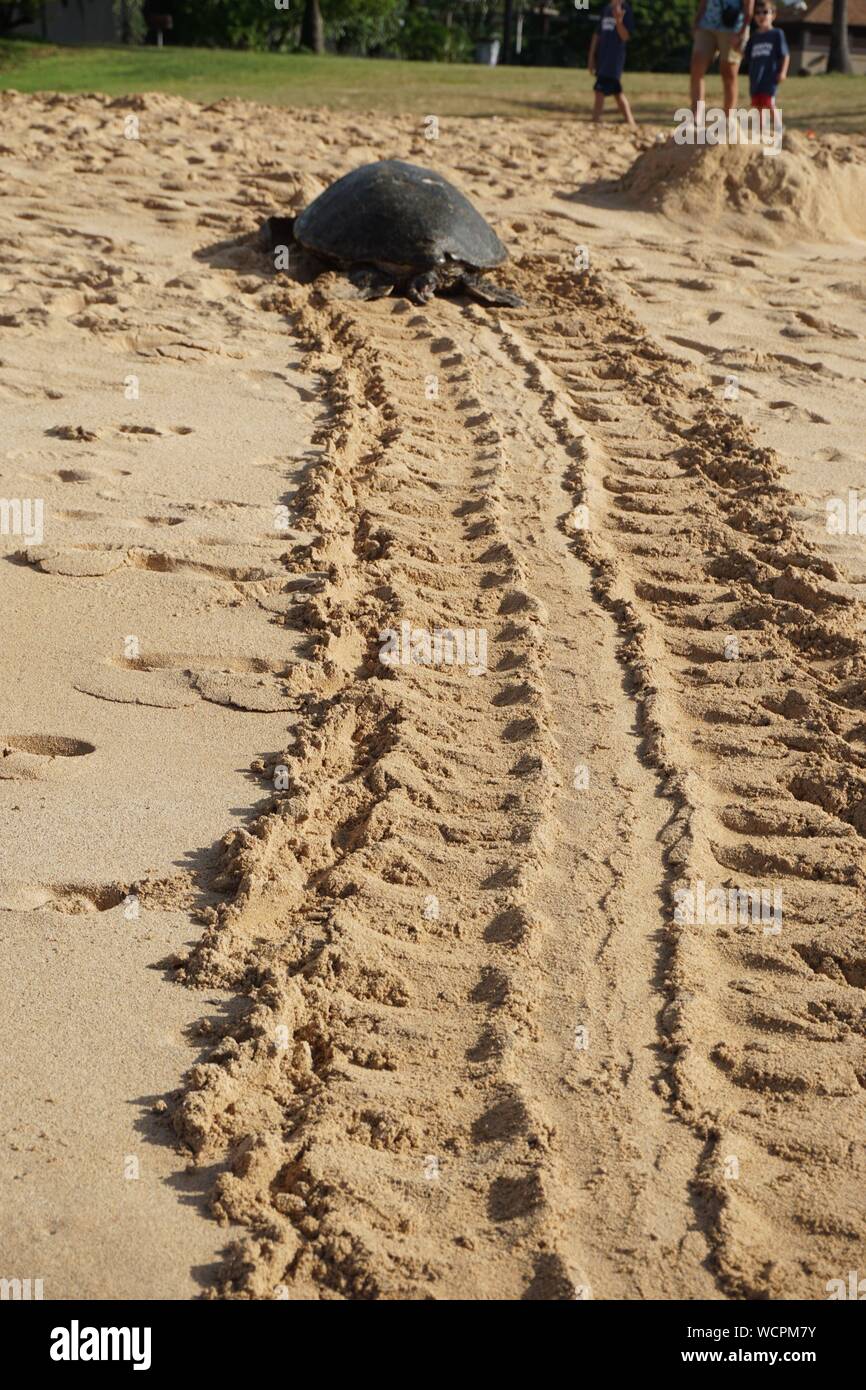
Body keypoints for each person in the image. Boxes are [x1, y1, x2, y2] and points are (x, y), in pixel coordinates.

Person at [690, 0, 754, 115]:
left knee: (729, 73)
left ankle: (728, 117)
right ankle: (696, 116)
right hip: (706, 25)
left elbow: (748, 8)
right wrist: (696, 22)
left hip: (733, 29)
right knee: (696, 69)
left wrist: (741, 33)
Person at [588, 0, 637, 131]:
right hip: (602, 58)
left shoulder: (625, 9)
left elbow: (625, 37)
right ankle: (630, 122)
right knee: (616, 92)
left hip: (614, 59)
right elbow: (597, 34)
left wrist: (619, 21)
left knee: (599, 90)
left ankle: (595, 120)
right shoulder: (606, 9)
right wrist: (591, 56)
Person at [744, 1, 789, 110]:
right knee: (758, 105)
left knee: (769, 103)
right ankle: (761, 122)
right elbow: (746, 55)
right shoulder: (754, 36)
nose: (761, 15)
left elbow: (785, 55)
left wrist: (783, 72)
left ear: (773, 15)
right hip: (755, 78)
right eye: (757, 13)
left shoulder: (777, 34)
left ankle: (778, 122)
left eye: (765, 12)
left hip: (770, 77)